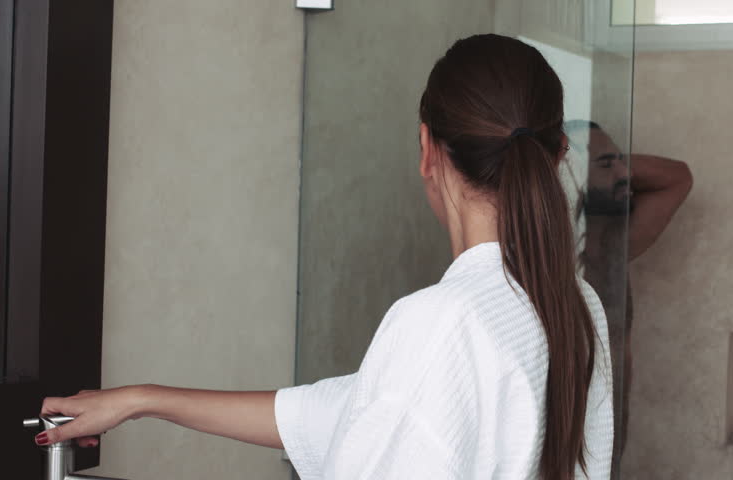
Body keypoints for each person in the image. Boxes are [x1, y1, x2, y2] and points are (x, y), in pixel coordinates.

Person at [35, 35, 615, 480]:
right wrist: (142, 400)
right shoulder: (574, 306)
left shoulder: (442, 323)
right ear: (557, 152)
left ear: (425, 150)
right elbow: (342, 411)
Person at [561, 120, 693, 464]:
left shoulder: (614, 247)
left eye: (623, 162)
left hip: (608, 441)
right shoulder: (552, 260)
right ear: (571, 172)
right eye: (607, 165)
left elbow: (679, 177)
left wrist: (610, 161)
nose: (625, 174)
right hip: (562, 442)